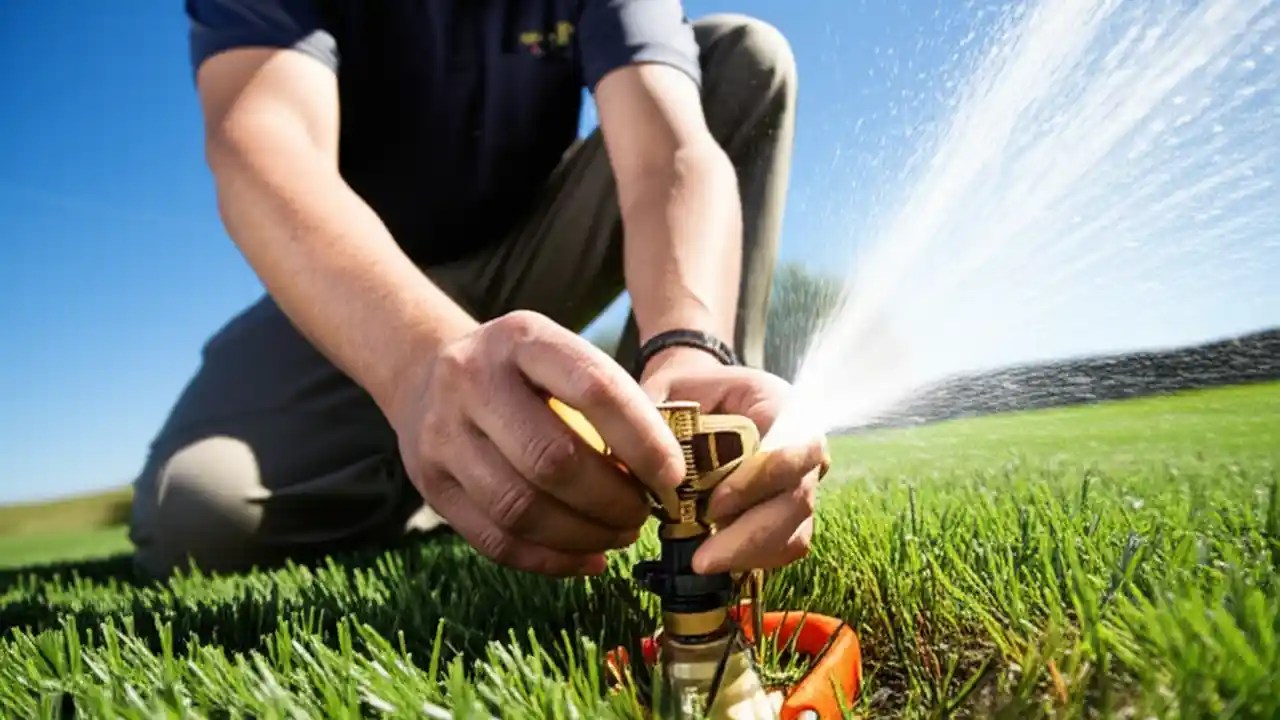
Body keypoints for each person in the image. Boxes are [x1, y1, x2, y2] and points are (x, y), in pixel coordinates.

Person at [129, 0, 829, 580]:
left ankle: (688, 483)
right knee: (200, 514)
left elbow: (664, 152)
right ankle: (447, 478)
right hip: (354, 290)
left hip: (530, 259)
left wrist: (686, 348)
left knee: (740, 58)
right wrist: (419, 364)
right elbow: (263, 145)